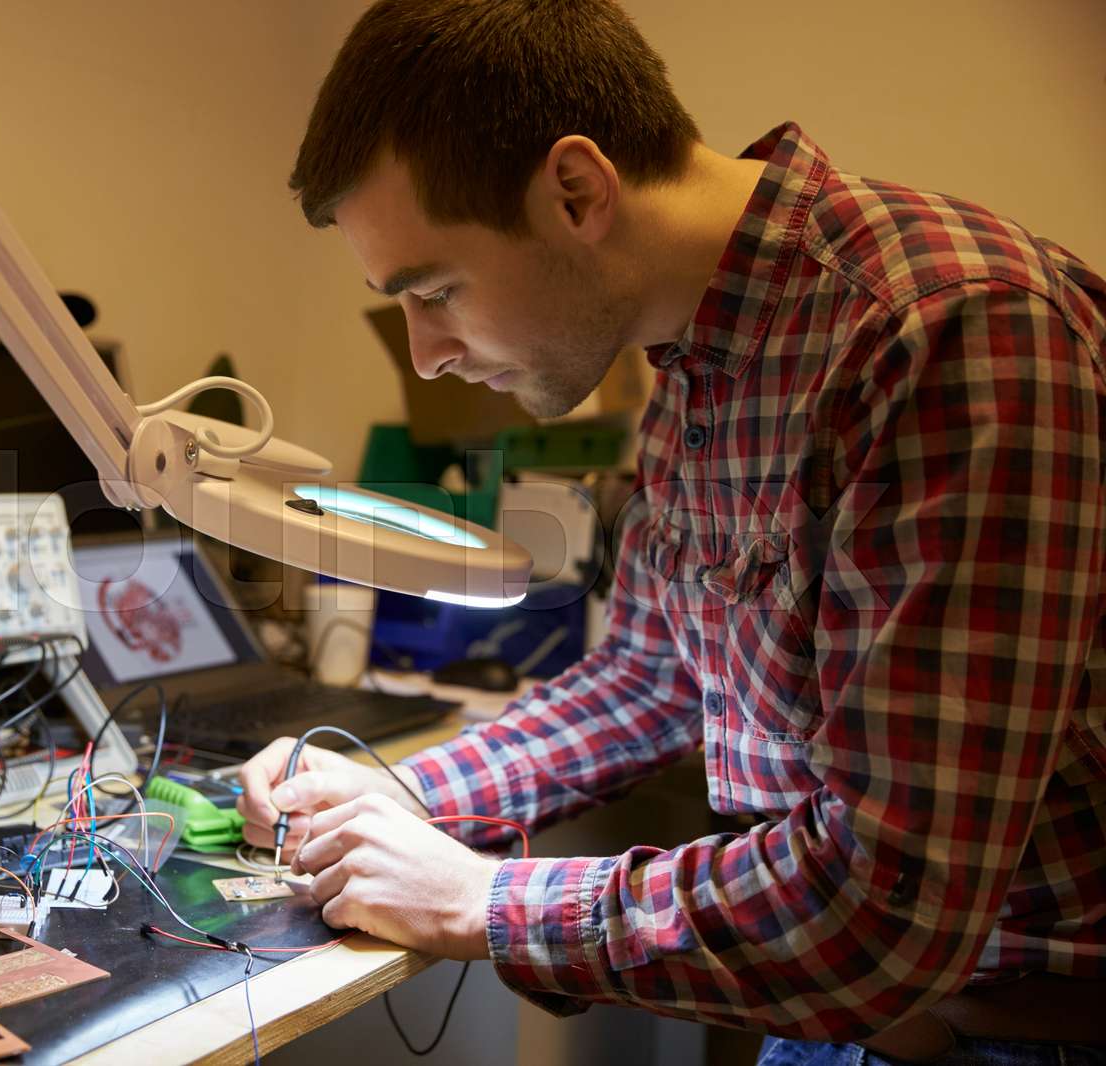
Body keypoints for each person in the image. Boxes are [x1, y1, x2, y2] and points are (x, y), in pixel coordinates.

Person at [235, 2, 1106, 1062]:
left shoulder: (948, 335)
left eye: (436, 291)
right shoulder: (694, 355)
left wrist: (487, 901)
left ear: (575, 192)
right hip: (849, 1023)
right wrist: (408, 788)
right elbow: (657, 674)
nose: (424, 357)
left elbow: (888, 899)